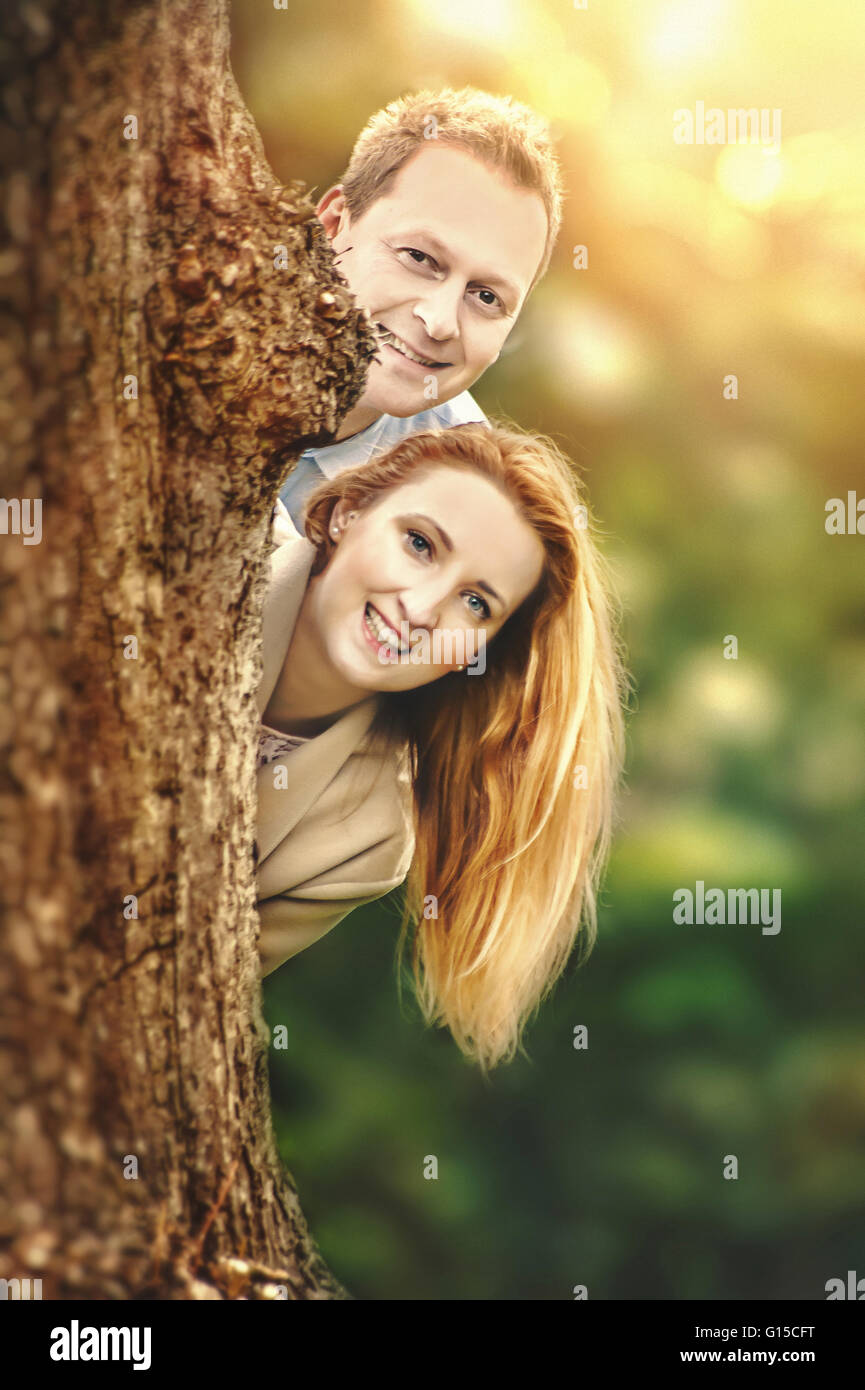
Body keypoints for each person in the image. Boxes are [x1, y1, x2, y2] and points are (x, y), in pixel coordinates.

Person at [256, 423, 628, 1074]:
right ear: (347, 512)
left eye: (476, 603)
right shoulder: (200, 546)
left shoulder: (366, 843)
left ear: (480, 654)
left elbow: (173, 990)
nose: (424, 609)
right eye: (420, 545)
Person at [276, 86, 563, 531]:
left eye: (486, 296)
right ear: (333, 225)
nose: (440, 322)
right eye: (419, 258)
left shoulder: (464, 503)